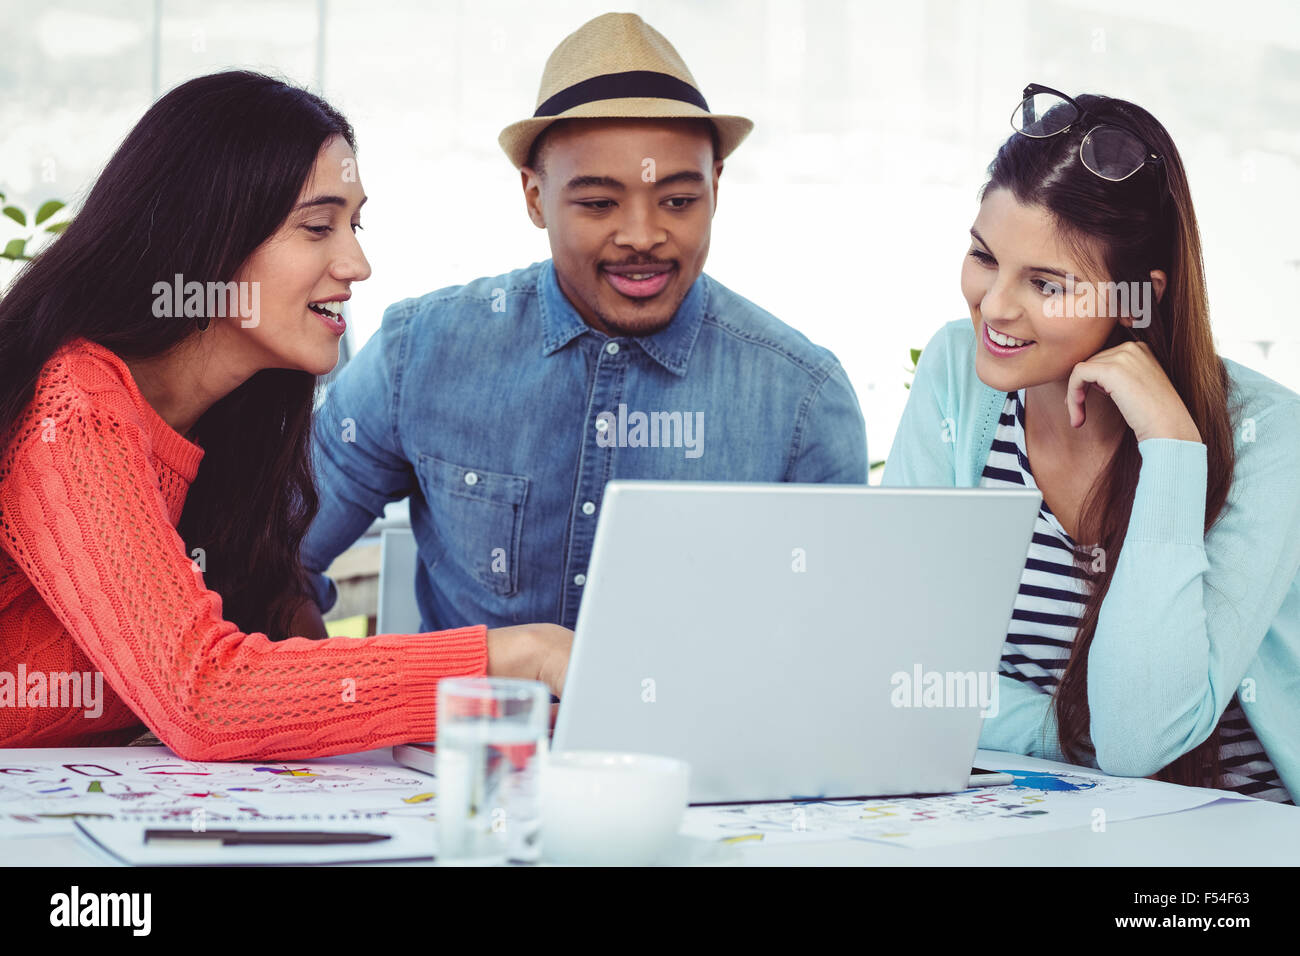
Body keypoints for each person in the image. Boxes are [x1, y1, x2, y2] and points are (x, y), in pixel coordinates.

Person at [0, 71, 569, 761]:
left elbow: (289, 669)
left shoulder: (234, 423)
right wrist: (516, 655)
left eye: (353, 225)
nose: (357, 263)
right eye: (318, 227)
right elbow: (204, 698)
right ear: (210, 235)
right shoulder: (75, 405)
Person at [296, 13, 868, 638]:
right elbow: (277, 562)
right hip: (476, 737)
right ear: (535, 197)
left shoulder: (802, 399)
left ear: (717, 186)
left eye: (679, 200)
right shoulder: (419, 354)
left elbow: (833, 645)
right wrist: (348, 704)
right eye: (598, 203)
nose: (643, 236)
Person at [883, 84, 1300, 803]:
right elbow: (895, 668)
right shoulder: (958, 373)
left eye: (1047, 284)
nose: (995, 306)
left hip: (1227, 830)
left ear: (1142, 295)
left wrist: (1171, 446)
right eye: (985, 256)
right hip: (1033, 808)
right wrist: (1069, 734)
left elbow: (1140, 738)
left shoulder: (1271, 437)